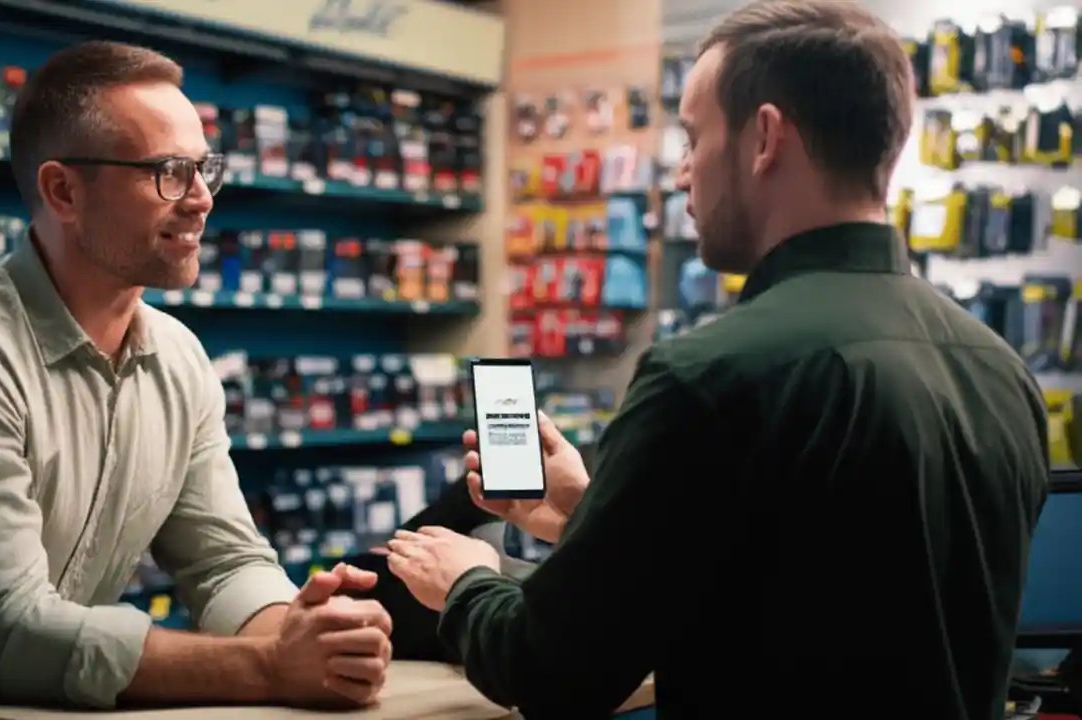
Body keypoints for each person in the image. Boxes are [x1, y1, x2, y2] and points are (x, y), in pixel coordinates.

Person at [384, 2, 1052, 718]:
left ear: (764, 138)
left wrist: (468, 581)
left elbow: (551, 671)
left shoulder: (709, 378)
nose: (679, 177)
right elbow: (816, 586)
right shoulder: (998, 371)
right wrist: (590, 509)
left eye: (694, 138)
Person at [0, 41, 393, 710]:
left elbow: (225, 562)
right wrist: (268, 667)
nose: (201, 199)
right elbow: (10, 631)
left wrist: (310, 635)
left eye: (205, 169)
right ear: (63, 191)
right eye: (170, 171)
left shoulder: (178, 359)